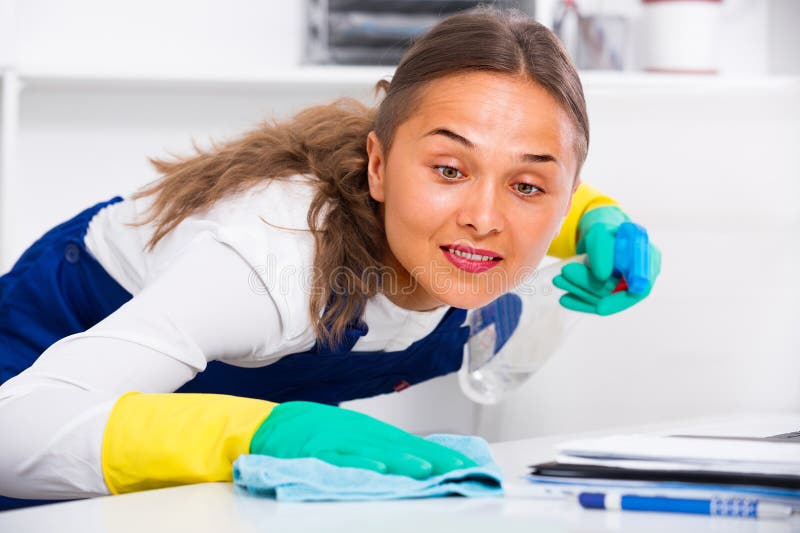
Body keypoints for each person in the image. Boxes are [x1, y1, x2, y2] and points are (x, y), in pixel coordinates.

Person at [0, 8, 660, 507]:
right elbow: (15, 428)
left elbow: (508, 175)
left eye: (528, 186)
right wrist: (250, 434)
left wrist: (595, 218)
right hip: (52, 351)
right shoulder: (270, 261)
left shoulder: (475, 264)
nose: (486, 220)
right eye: (449, 169)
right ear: (379, 166)